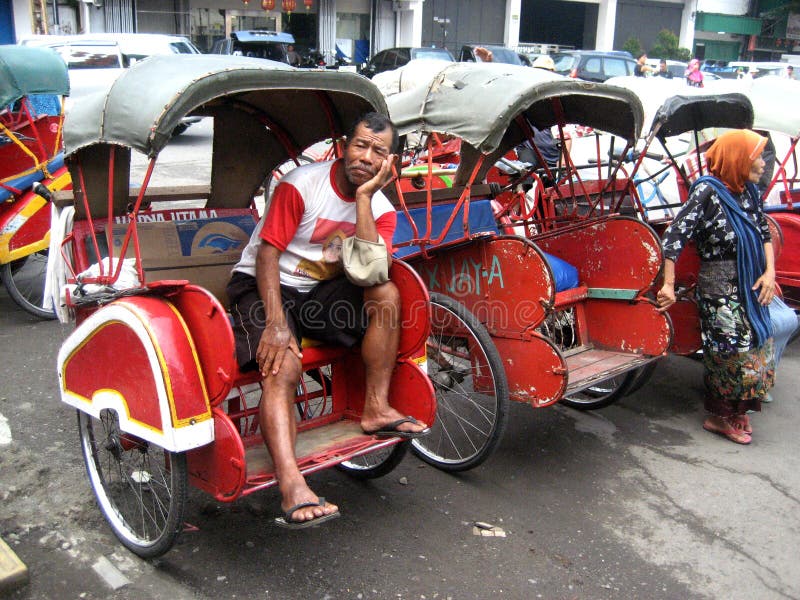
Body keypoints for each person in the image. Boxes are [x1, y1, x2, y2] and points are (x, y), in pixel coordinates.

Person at [226, 112, 429, 528]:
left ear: (389, 163)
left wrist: (363, 200)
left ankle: (375, 407)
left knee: (386, 293)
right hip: (265, 285)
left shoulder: (381, 207)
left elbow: (372, 273)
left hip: (321, 294)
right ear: (343, 145)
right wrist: (277, 324)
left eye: (378, 151)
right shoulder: (301, 186)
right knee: (283, 365)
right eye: (360, 145)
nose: (366, 158)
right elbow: (267, 255)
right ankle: (291, 485)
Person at [657, 130, 776, 445]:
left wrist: (770, 273)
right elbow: (674, 237)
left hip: (751, 281)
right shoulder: (707, 193)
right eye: (757, 156)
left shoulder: (748, 191)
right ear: (738, 159)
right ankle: (718, 416)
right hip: (719, 287)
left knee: (757, 345)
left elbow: (763, 231)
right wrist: (668, 285)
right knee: (730, 352)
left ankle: (740, 410)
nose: (764, 163)